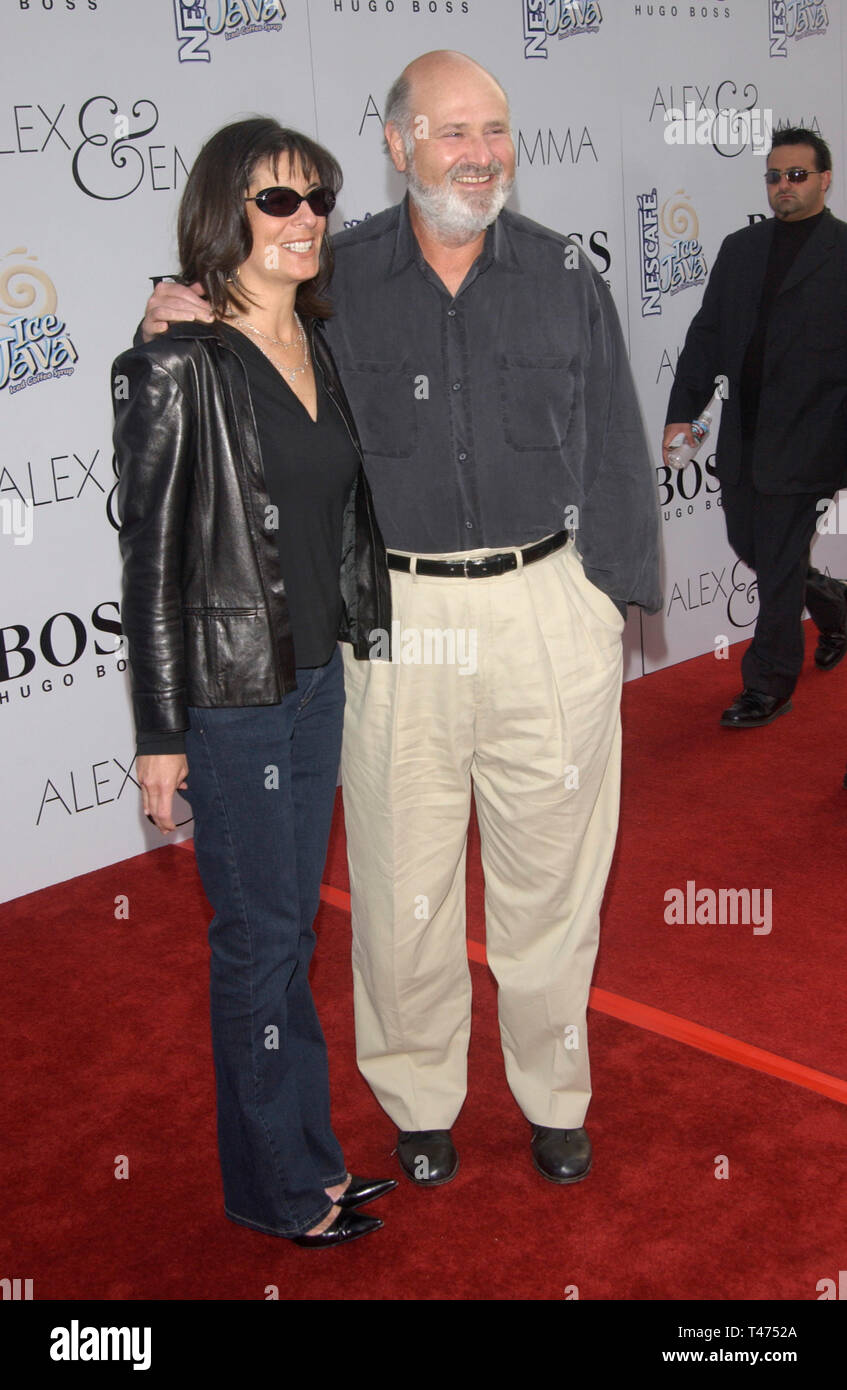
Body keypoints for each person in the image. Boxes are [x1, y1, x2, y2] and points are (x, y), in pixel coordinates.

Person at [140, 51, 661, 1189]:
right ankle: (420, 1098)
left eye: (496, 130)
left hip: (545, 606)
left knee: (553, 879)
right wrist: (166, 315)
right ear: (397, 144)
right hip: (396, 613)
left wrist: (608, 599)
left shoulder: (565, 271)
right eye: (453, 130)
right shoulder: (337, 275)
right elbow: (236, 345)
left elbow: (617, 441)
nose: (480, 153)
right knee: (400, 877)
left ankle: (552, 1092)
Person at [112, 118, 396, 1247]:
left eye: (317, 196)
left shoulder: (314, 344)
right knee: (261, 938)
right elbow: (149, 565)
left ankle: (298, 1162)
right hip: (232, 701)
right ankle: (281, 1190)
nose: (306, 218)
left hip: (315, 678)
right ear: (225, 214)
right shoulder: (175, 360)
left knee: (291, 937)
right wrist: (159, 733)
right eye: (277, 200)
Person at [664, 127, 847, 729]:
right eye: (773, 176)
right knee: (754, 546)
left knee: (778, 555)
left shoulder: (843, 252)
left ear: (824, 179)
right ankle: (833, 604)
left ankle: (768, 685)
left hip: (814, 438)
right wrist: (681, 416)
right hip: (744, 436)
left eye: (797, 175)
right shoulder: (741, 249)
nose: (783, 186)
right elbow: (706, 338)